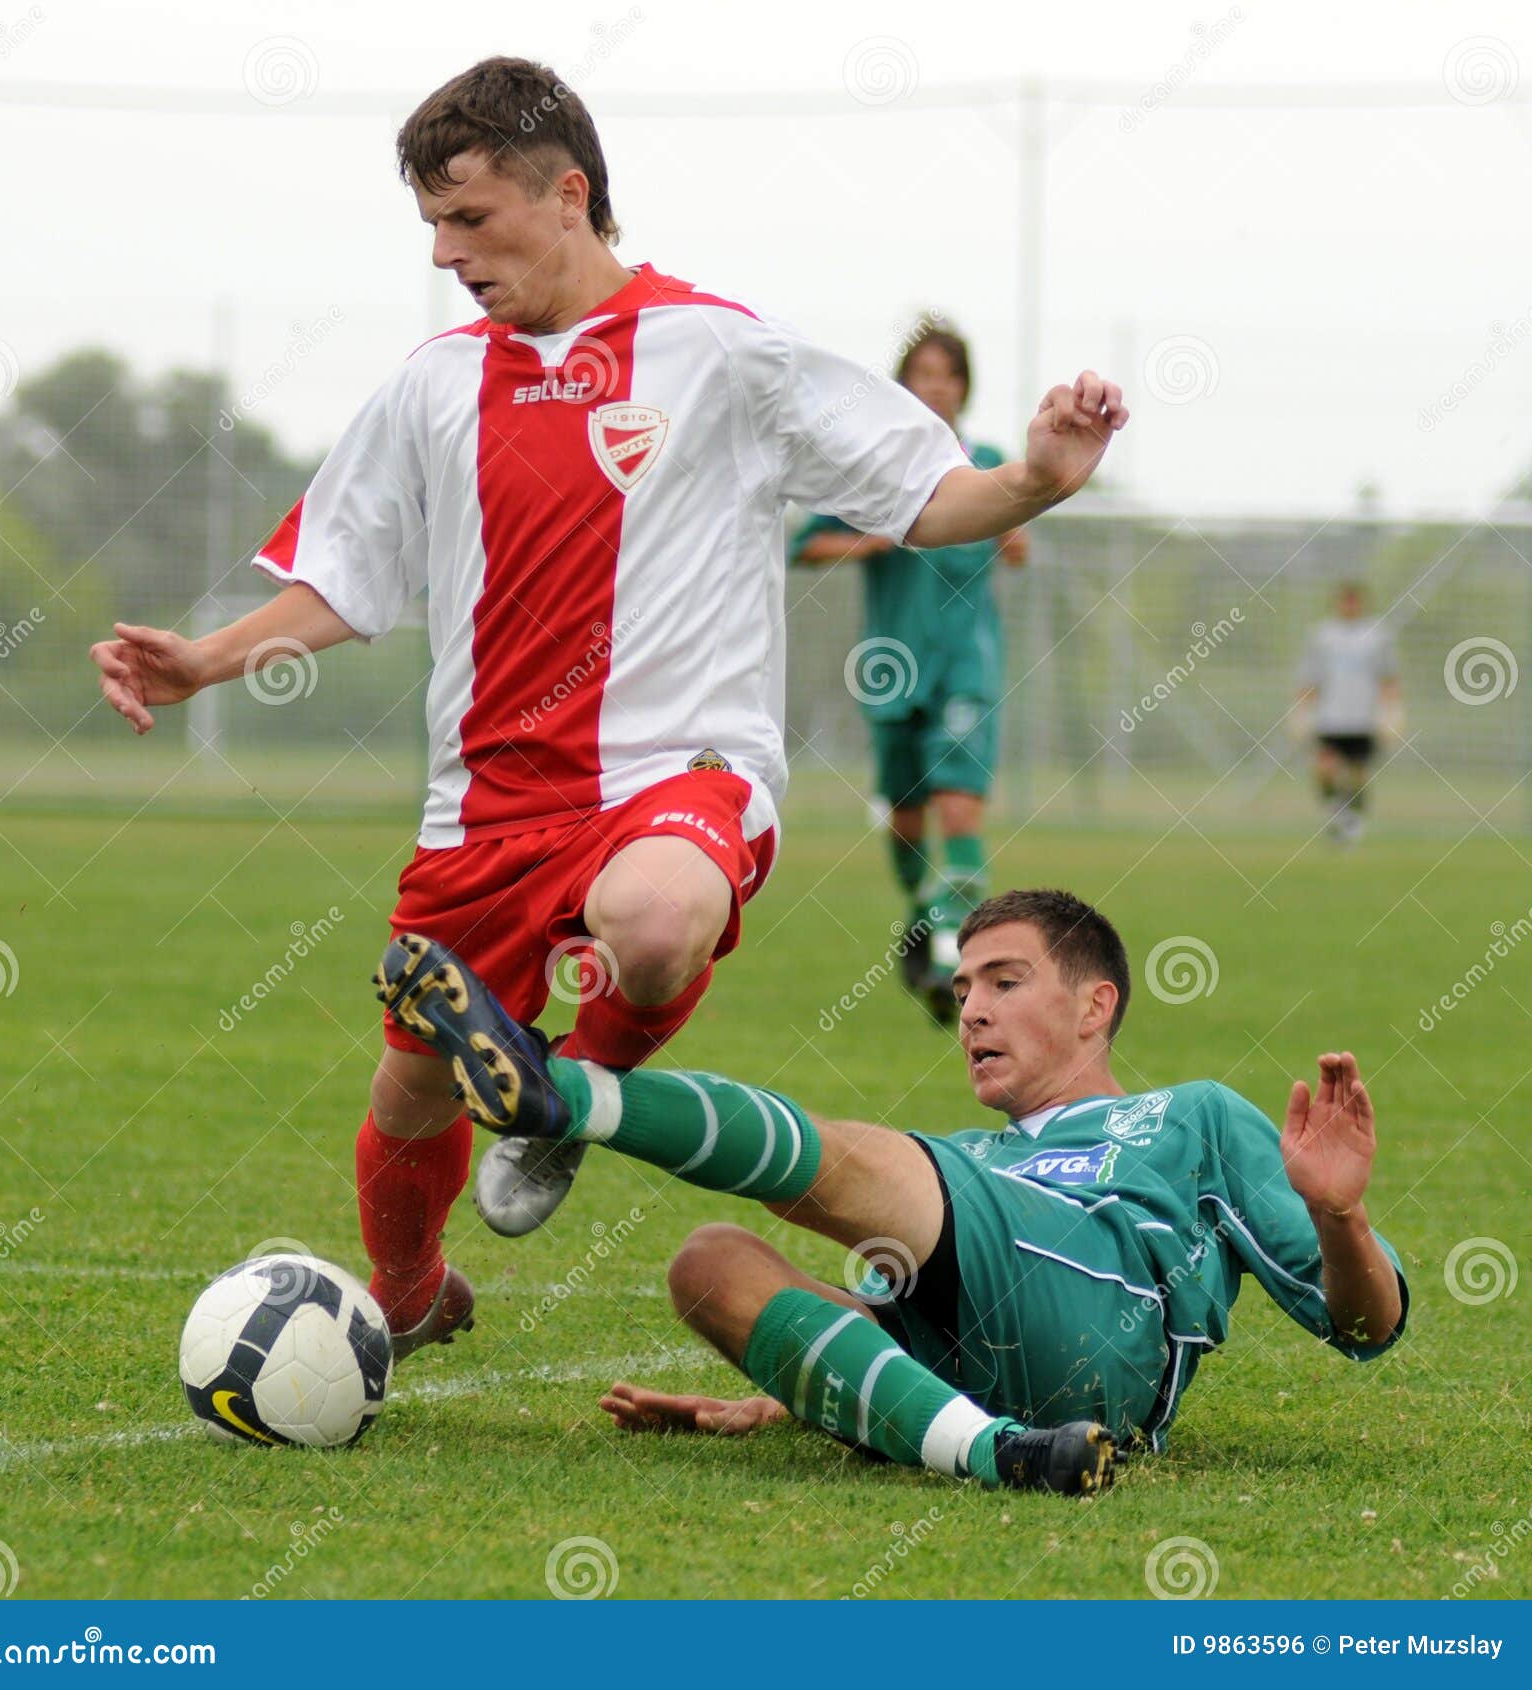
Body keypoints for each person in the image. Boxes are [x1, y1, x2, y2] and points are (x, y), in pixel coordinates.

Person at [88, 56, 1128, 1359]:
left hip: (677, 771)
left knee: (654, 920)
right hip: (486, 806)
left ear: (568, 193)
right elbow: (345, 580)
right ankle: (405, 1292)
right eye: (431, 227)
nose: (448, 254)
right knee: (411, 1086)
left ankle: (559, 1099)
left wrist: (1036, 476)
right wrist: (206, 657)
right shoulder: (431, 388)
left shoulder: (722, 351)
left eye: (470, 220)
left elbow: (927, 498)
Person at [375, 887, 1407, 1494]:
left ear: (1096, 1005)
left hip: (1108, 1323)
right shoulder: (978, 1157)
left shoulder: (1188, 1115)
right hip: (992, 1382)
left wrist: (1338, 1211)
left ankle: (561, 1095)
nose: (970, 1011)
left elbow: (1368, 1323)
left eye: (1003, 982)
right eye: (960, 991)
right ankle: (995, 1455)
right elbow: (897, 1316)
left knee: (866, 1164)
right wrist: (783, 1394)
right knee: (707, 1265)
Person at [791, 323, 1027, 1023]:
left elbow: (1017, 546)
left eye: (949, 374)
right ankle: (924, 909)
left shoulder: (987, 464)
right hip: (892, 670)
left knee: (959, 804)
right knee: (905, 819)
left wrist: (1013, 531)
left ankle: (953, 957)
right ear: (905, 383)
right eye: (924, 372)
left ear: (964, 386)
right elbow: (807, 546)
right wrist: (875, 539)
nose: (937, 385)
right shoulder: (874, 465)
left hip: (966, 666)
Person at [1294, 581, 1402, 844]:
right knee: (1326, 768)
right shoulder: (1322, 636)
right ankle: (1336, 813)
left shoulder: (1377, 636)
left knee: (1358, 774)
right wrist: (1300, 713)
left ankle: (1353, 821)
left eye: (1355, 601)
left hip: (1363, 719)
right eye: (1345, 601)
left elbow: (1388, 678)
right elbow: (1309, 679)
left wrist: (1393, 713)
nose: (1350, 606)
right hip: (1330, 718)